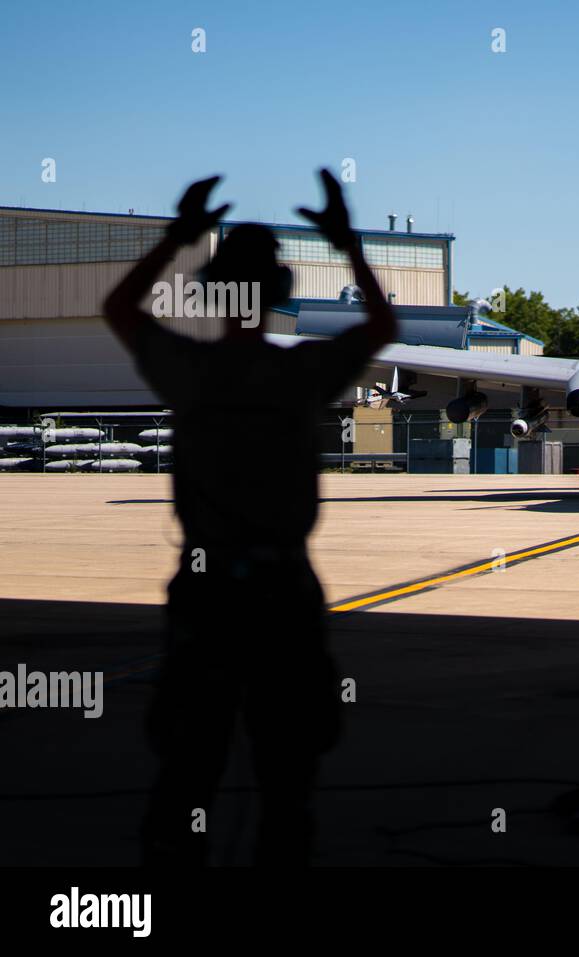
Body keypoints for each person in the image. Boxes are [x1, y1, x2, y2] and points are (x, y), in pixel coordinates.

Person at [104, 171, 397, 865]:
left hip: (207, 589)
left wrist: (178, 234)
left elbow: (119, 307)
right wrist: (347, 240)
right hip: (283, 589)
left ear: (212, 291)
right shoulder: (304, 373)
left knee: (186, 772)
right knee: (287, 781)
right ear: (281, 295)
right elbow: (384, 325)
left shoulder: (188, 370)